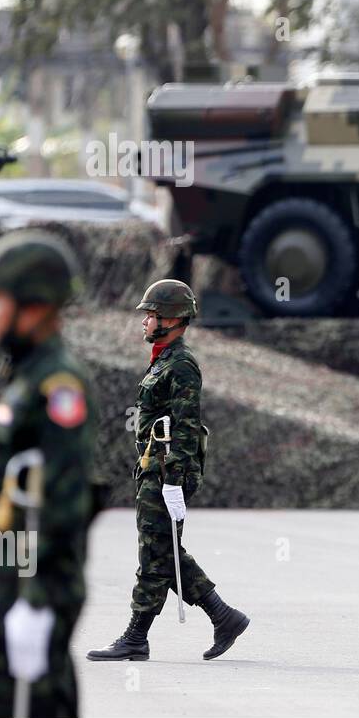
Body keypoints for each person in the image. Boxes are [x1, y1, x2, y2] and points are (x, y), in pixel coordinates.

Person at [0, 230, 98, 717]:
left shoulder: (58, 385)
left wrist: (36, 602)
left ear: (35, 307)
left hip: (31, 585)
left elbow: (58, 504)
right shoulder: (26, 376)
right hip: (6, 580)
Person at [87, 279, 250, 662]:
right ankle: (223, 616)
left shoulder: (181, 365)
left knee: (155, 553)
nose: (145, 322)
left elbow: (185, 425)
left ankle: (136, 637)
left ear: (173, 319)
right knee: (163, 549)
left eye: (152, 315)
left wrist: (174, 479)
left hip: (166, 470)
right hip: (154, 467)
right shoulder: (163, 359)